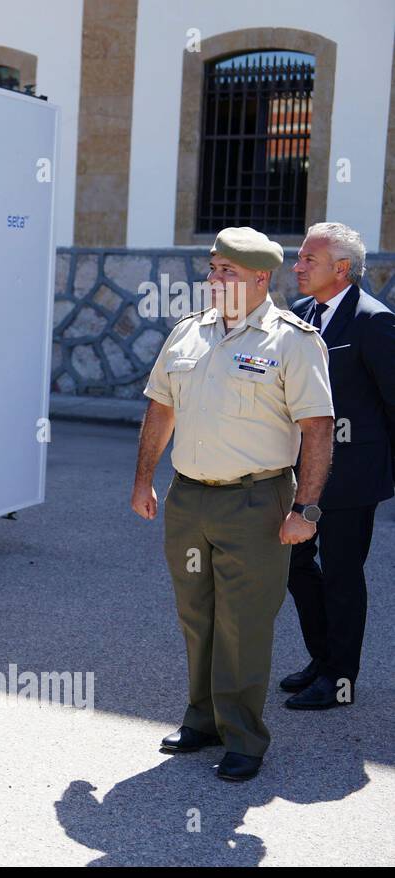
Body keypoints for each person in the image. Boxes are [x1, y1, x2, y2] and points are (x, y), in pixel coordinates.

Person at [132, 227, 334, 782]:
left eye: (227, 272)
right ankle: (202, 719)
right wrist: (143, 479)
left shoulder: (292, 341)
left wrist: (306, 510)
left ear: (260, 278)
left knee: (244, 624)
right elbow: (160, 408)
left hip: (257, 501)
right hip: (190, 497)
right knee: (197, 616)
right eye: (213, 269)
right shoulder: (187, 334)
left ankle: (244, 737)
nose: (214, 280)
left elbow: (317, 430)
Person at [282, 222, 395, 709]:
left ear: (341, 269)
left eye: (309, 259)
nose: (298, 266)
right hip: (300, 471)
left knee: (344, 573)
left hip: (352, 477)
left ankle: (339, 678)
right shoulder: (301, 314)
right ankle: (322, 657)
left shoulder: (374, 321)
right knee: (295, 563)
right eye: (300, 257)